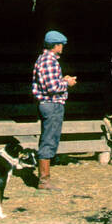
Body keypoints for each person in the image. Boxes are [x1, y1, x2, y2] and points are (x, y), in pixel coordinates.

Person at [31, 30, 77, 190]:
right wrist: (67, 83)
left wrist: (62, 80)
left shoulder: (43, 59)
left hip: (48, 104)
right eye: (61, 45)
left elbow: (48, 82)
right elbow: (51, 87)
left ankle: (45, 178)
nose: (62, 47)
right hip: (52, 104)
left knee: (48, 138)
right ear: (55, 45)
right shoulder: (49, 61)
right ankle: (44, 181)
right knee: (49, 140)